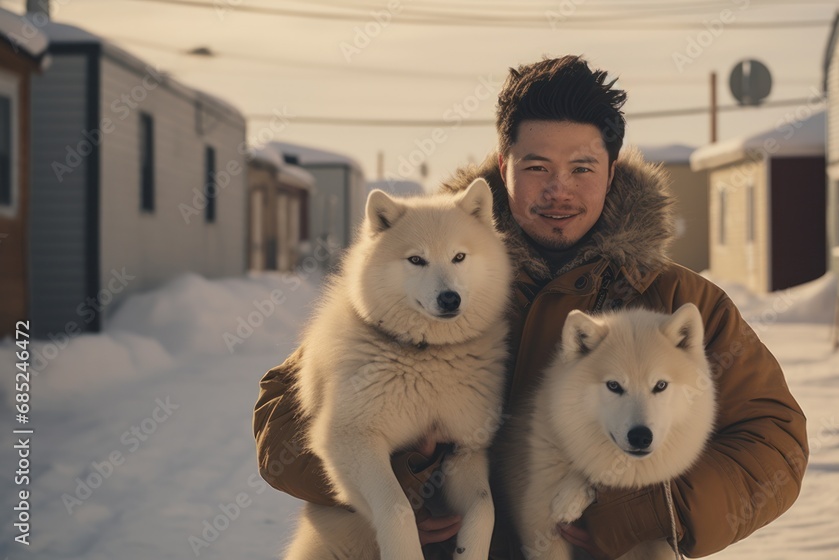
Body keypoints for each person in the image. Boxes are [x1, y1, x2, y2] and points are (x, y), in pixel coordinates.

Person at [253, 55, 808, 559]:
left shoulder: (676, 302)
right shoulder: (426, 275)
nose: (558, 190)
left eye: (582, 168)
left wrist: (652, 511)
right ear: (505, 163)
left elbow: (775, 439)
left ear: (611, 170)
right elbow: (280, 414)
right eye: (537, 166)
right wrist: (394, 480)